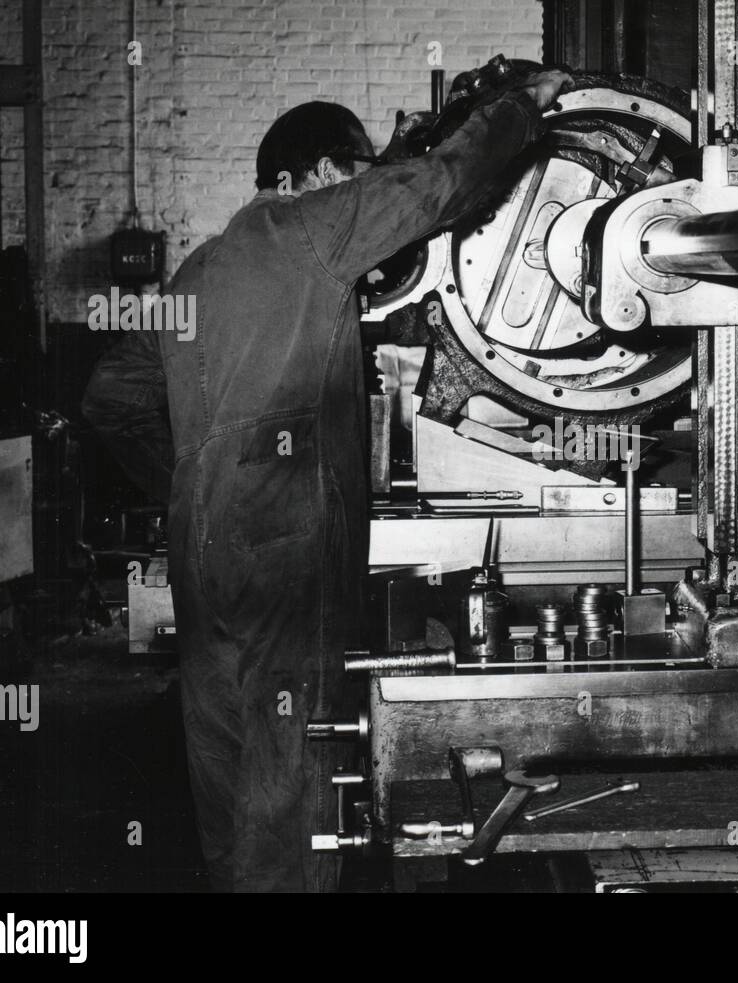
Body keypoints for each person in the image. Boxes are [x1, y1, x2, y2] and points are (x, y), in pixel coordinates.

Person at [83, 69, 573, 892]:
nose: (359, 194)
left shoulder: (197, 272)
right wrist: (523, 110)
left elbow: (110, 396)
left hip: (205, 558)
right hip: (286, 554)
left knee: (226, 758)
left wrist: (194, 479)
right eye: (351, 175)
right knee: (300, 778)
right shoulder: (308, 230)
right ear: (309, 176)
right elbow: (437, 186)